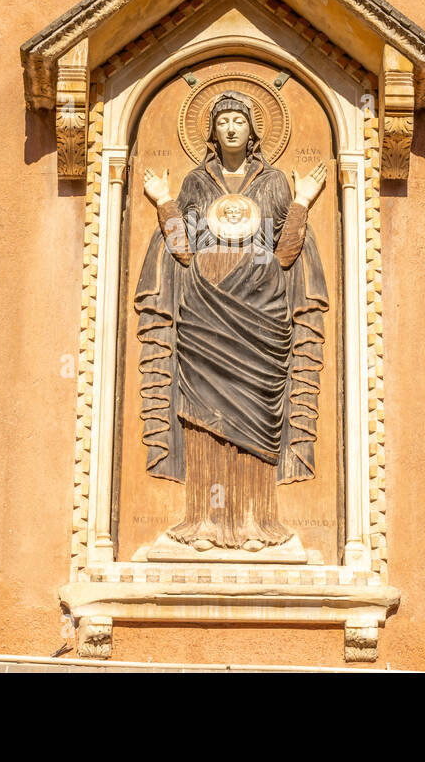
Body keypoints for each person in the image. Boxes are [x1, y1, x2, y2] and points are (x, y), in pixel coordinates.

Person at [136, 90, 329, 551]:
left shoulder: (275, 182)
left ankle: (255, 524)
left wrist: (301, 201)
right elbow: (182, 249)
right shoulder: (197, 185)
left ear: (253, 129)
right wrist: (164, 201)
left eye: (238, 120)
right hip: (203, 315)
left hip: (261, 320)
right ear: (211, 131)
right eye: (222, 120)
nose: (230, 128)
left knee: (258, 416)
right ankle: (203, 522)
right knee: (203, 420)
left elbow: (286, 253)